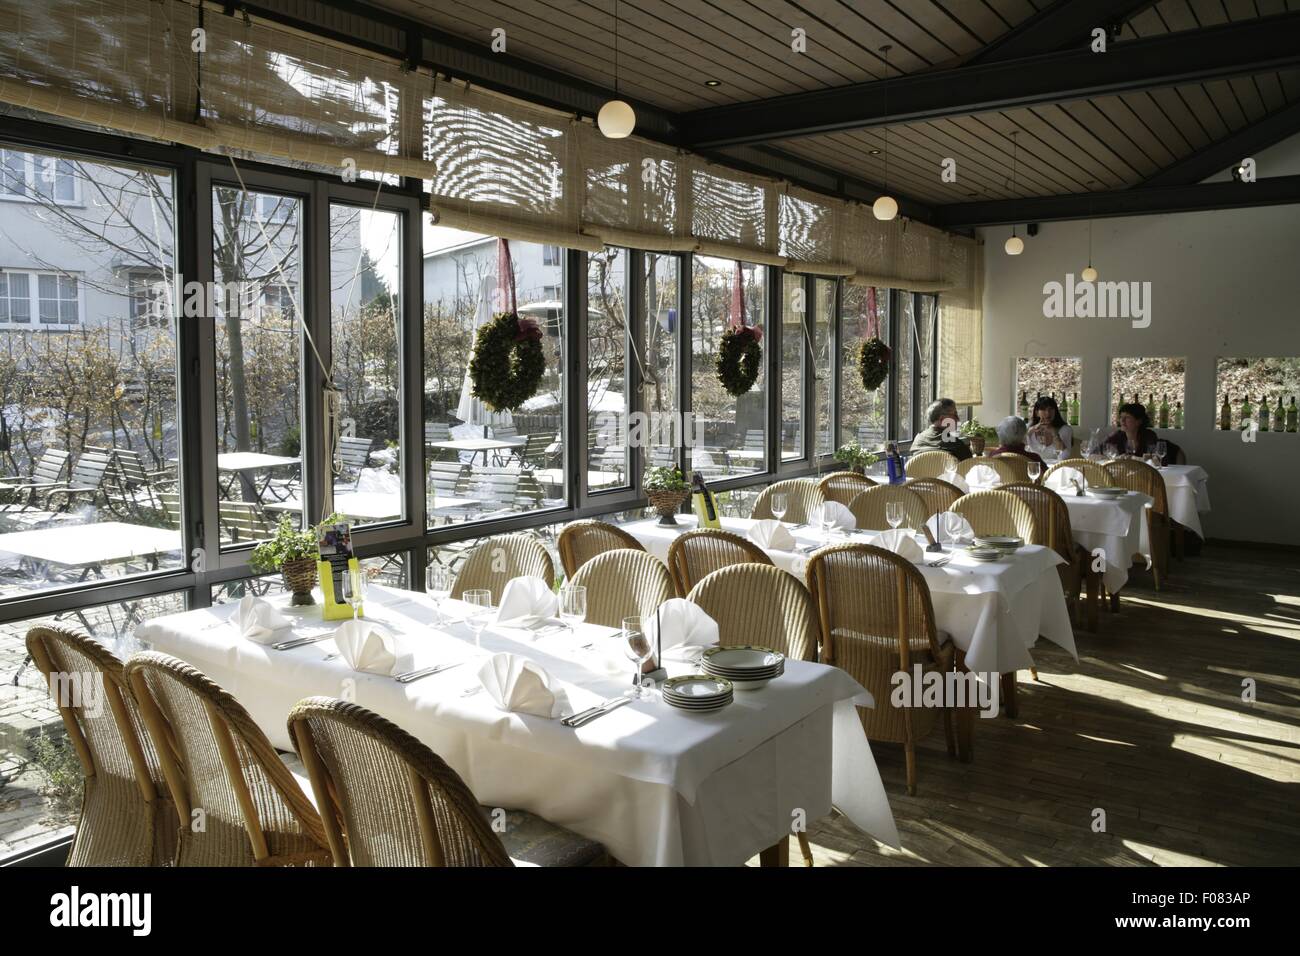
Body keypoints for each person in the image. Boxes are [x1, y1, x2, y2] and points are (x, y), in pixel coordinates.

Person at [1105, 402, 1181, 462]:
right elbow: (1095, 453)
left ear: (1139, 421)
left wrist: (1133, 458)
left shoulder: (1148, 436)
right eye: (1121, 417)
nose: (1122, 420)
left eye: (1127, 417)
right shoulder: (1117, 436)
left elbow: (1157, 459)